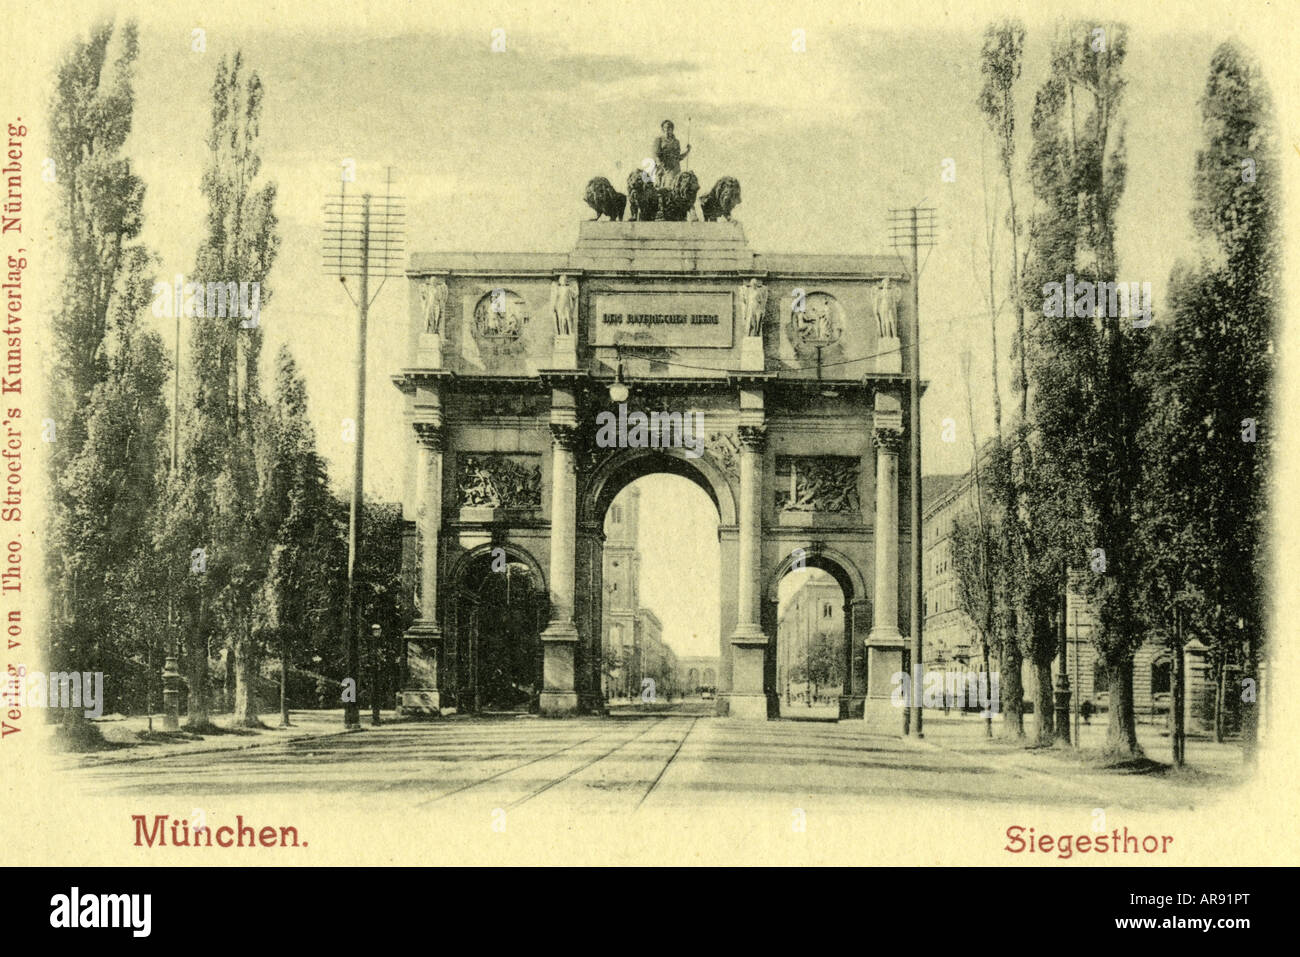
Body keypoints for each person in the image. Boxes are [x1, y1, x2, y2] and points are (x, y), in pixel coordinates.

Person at [652, 119, 691, 190]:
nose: (667, 129)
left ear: (672, 129)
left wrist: (687, 151)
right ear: (662, 129)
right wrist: (662, 166)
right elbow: (656, 155)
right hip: (664, 168)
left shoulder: (676, 142)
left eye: (669, 127)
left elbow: (678, 157)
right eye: (665, 127)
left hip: (675, 168)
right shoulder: (659, 140)